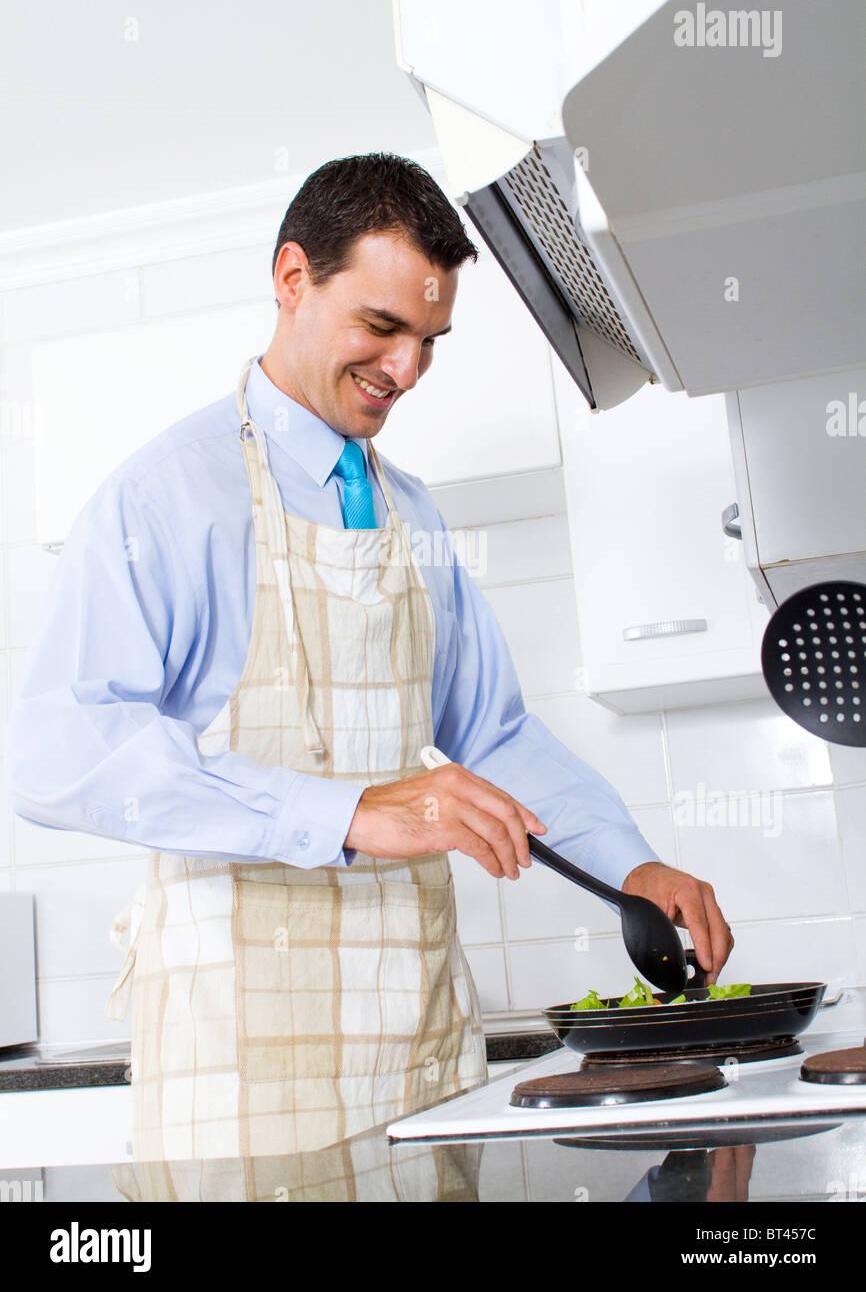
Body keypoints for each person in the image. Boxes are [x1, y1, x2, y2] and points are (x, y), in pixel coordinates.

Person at [6, 152, 733, 1160]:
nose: (405, 372)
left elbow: (492, 733)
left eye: (429, 340)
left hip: (420, 1049)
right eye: (380, 328)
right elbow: (55, 749)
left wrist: (629, 865)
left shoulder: (414, 514)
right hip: (241, 1066)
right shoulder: (163, 497)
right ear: (292, 278)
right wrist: (348, 811)